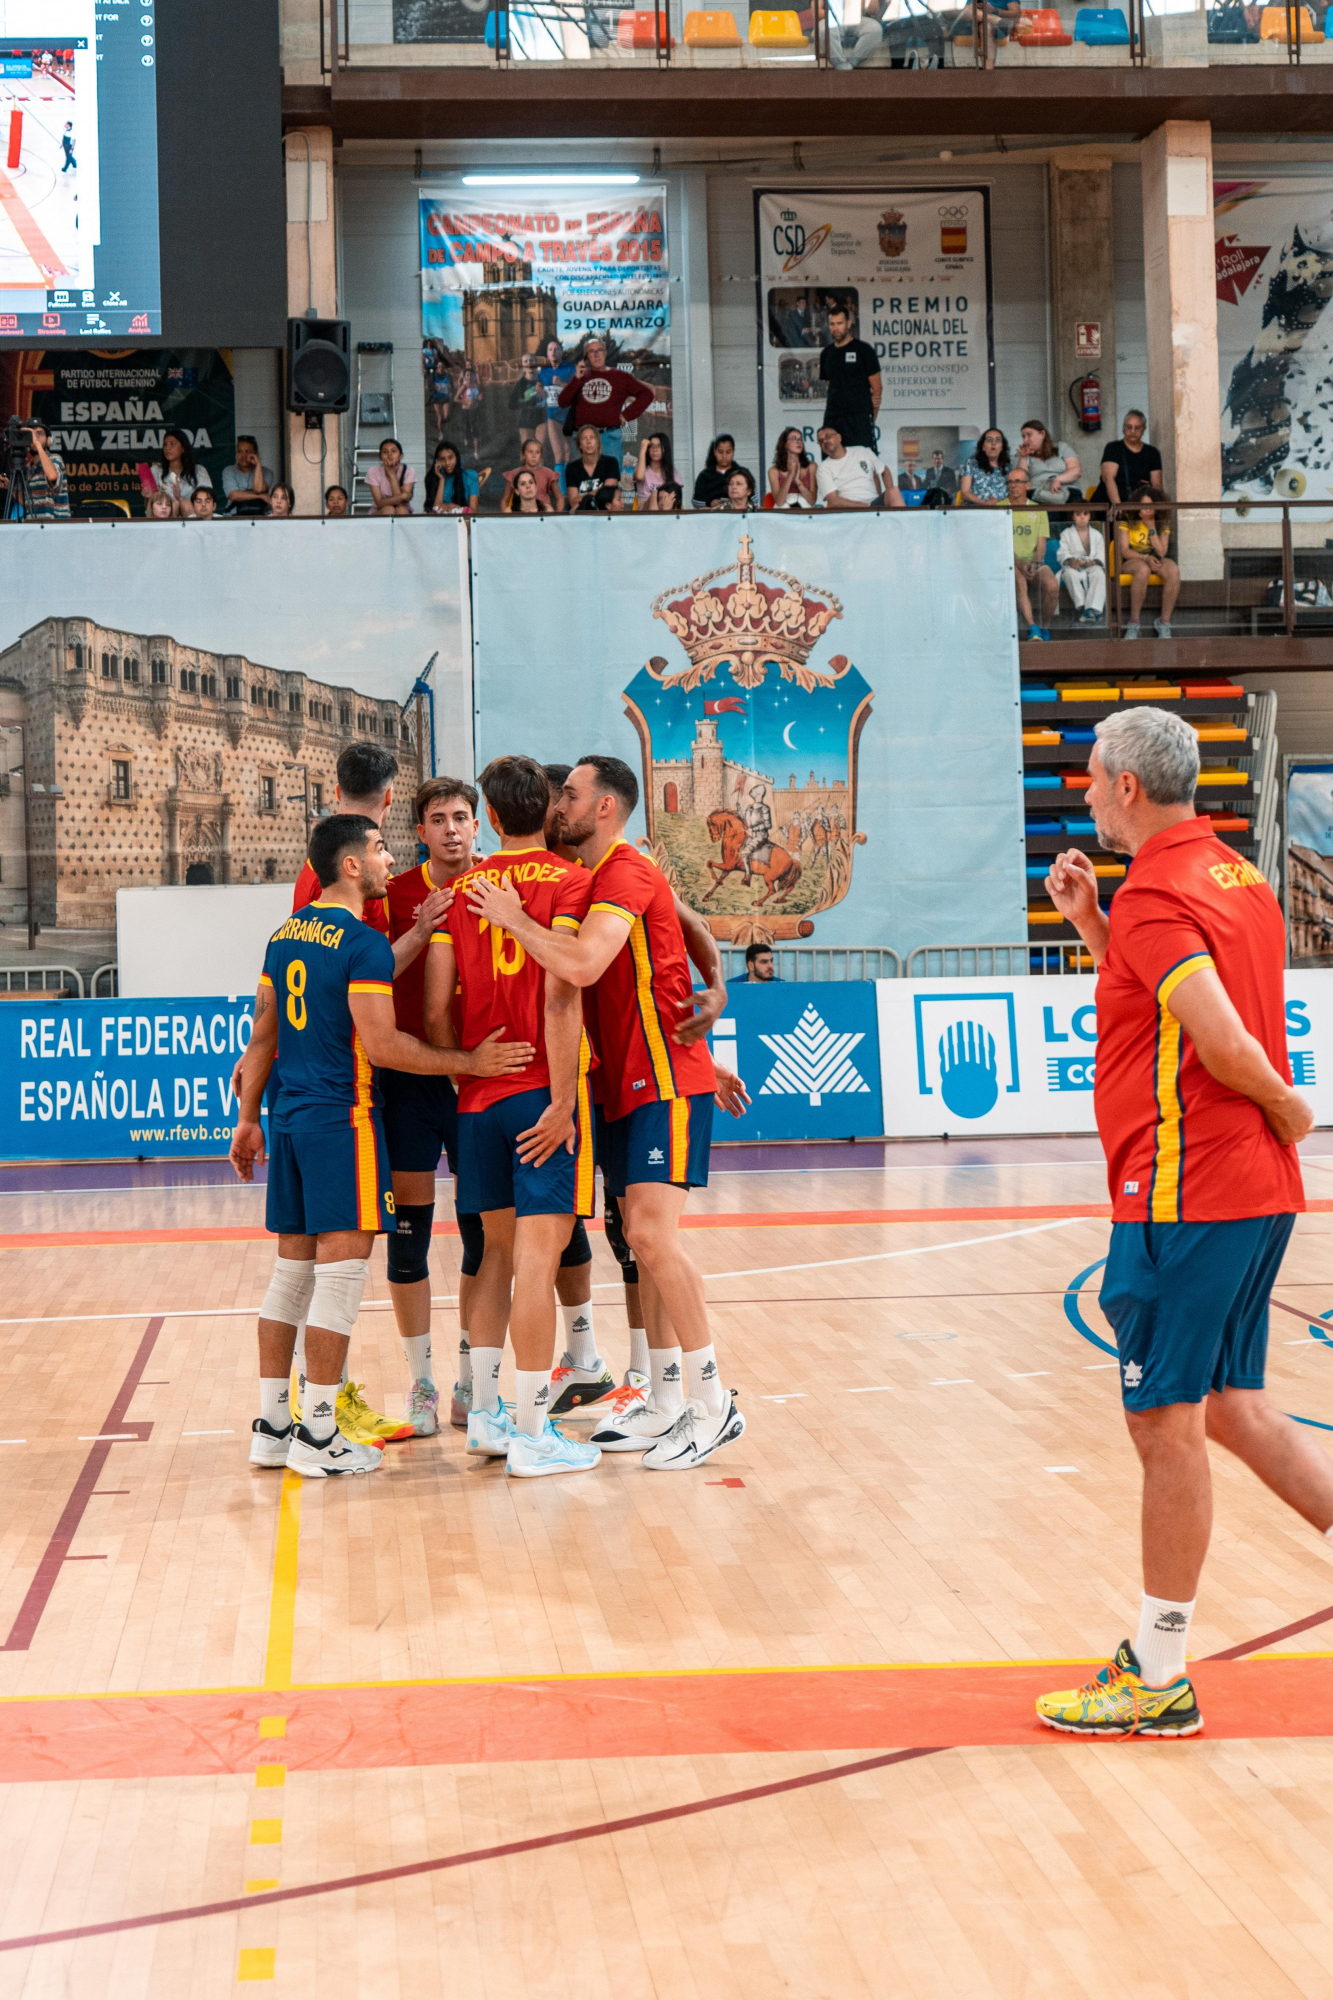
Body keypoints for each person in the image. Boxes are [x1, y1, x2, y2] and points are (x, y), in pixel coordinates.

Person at [1036, 706, 1326, 1739]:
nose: (1080, 788)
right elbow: (1169, 988)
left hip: (1182, 1186)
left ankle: (1157, 1668)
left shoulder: (1159, 889)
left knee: (1164, 1423)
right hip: (1246, 1188)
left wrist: (1290, 1105)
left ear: (1125, 786)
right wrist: (1092, 927)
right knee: (1234, 1408)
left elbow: (1215, 1034)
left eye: (1089, 774)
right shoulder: (1231, 873)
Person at [231, 813, 535, 1478]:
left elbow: (262, 1033)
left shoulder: (286, 936)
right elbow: (385, 1043)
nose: (387, 859)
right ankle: (318, 1436)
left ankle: (272, 1427)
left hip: (287, 1119)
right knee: (340, 1279)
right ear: (349, 866)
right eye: (377, 849)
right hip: (343, 1121)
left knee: (290, 1278)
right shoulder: (362, 939)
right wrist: (470, 1062)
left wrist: (247, 1117)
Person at [466, 756, 747, 1471]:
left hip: (659, 1082)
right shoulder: (586, 875)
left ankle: (712, 1405)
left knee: (652, 1240)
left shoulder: (625, 869)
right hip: (624, 1085)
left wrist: (508, 917)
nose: (558, 802)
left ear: (605, 809)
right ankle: (661, 1398)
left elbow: (584, 967)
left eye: (571, 793)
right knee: (640, 1248)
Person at [423, 756, 601, 1479]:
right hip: (540, 1095)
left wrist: (464, 1063)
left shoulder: (465, 888)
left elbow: (436, 1008)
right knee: (538, 1257)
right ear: (549, 814)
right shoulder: (569, 882)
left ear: (488, 819)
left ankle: (486, 1415)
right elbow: (563, 991)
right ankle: (533, 1433)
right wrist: (561, 1099)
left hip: (477, 1097)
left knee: (492, 1257)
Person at [382, 778, 486, 1435]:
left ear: (478, 826)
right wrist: (420, 932)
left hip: (481, 1081)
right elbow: (367, 981)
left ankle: (473, 1381)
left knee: (482, 1235)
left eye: (461, 817)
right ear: (419, 831)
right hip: (411, 1080)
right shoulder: (392, 896)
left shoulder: (504, 886)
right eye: (438, 819)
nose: (451, 829)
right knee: (408, 1241)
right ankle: (421, 1384)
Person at [555, 336, 653, 473]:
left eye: (600, 350)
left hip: (609, 437)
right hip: (584, 438)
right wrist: (577, 379)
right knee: (583, 483)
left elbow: (647, 394)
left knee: (611, 484)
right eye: (591, 351)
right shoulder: (580, 376)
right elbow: (562, 402)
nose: (596, 355)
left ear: (605, 353)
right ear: (585, 356)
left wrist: (626, 415)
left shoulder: (620, 376)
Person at [1117, 484, 1180, 640]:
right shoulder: (1127, 517)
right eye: (1143, 506)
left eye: (1150, 506)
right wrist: (1144, 558)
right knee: (1143, 569)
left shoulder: (1162, 521)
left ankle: (1164, 623)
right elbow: (1124, 550)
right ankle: (1134, 623)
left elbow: (1162, 551)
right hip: (1133, 559)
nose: (1147, 510)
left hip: (1156, 557)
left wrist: (1151, 528)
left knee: (1173, 570)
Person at [819, 305, 881, 452]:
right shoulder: (826, 353)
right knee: (833, 463)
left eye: (839, 323)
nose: (836, 328)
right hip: (833, 419)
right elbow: (830, 384)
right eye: (832, 324)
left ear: (848, 323)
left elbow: (877, 389)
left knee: (863, 464)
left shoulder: (864, 350)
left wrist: (869, 419)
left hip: (859, 419)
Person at [1008, 466, 1058, 641]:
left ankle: (1045, 626)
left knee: (1052, 585)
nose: (1013, 485)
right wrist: (1019, 564)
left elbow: (1041, 543)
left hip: (1033, 562)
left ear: (1027, 485)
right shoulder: (997, 508)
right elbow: (999, 545)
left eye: (1018, 481)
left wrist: (1035, 563)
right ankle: (1032, 627)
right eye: (1010, 481)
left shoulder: (1038, 509)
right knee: (1019, 581)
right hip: (1008, 562)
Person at [815, 423, 903, 510]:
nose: (825, 441)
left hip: (873, 503)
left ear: (839, 438)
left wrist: (886, 496)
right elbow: (834, 501)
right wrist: (866, 507)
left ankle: (903, 523)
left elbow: (884, 470)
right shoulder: (823, 468)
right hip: (849, 509)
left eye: (828, 436)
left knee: (893, 491)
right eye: (821, 441)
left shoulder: (862, 451)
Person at [1096, 408, 1165, 506]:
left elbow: (1157, 486)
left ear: (1144, 429)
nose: (1133, 431)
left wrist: (1154, 508)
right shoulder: (1113, 448)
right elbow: (1108, 478)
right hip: (1110, 504)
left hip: (1140, 505)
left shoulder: (1152, 453)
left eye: (1137, 428)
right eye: (1129, 427)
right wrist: (1118, 506)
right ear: (1123, 428)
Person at [9, 420, 68, 521]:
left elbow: (52, 476)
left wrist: (37, 444)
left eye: (39, 434)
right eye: (31, 434)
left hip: (55, 526)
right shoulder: (28, 467)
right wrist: (8, 486)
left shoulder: (55, 459)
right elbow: (27, 501)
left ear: (49, 440)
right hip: (34, 527)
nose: (35, 437)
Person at [1057, 504, 1107, 621]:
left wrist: (1095, 561)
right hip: (1074, 567)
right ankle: (1083, 606)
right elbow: (1062, 551)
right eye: (1078, 514)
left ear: (1090, 516)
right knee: (1069, 574)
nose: (1082, 517)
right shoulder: (1066, 533)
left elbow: (1101, 553)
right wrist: (1070, 560)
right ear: (1073, 516)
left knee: (1099, 574)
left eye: (1086, 514)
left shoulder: (1097, 534)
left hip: (1091, 566)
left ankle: (1092, 608)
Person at [146, 427, 210, 518]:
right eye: (165, 445)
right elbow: (148, 506)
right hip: (162, 522)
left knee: (184, 504)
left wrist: (180, 499)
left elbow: (208, 500)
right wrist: (147, 497)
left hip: (192, 516)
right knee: (173, 504)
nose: (167, 448)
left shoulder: (199, 470)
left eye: (172, 444)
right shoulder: (156, 470)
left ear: (183, 448)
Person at [1016, 420, 1081, 507]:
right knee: (1048, 515)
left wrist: (1058, 479)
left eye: (1029, 435)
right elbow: (1021, 480)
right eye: (1023, 436)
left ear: (1042, 434)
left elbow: (1076, 471)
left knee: (1077, 513)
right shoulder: (1023, 455)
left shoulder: (1062, 447)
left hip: (1067, 490)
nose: (1025, 440)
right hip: (1038, 494)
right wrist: (1023, 458)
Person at [563, 426, 623, 513]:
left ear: (598, 442)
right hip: (582, 514)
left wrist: (584, 499)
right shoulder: (572, 468)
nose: (588, 442)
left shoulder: (610, 462)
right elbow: (573, 502)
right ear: (579, 444)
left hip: (605, 514)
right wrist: (598, 493)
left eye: (592, 437)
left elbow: (608, 495)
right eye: (584, 438)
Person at [538, 339, 575, 467]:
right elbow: (539, 390)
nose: (553, 352)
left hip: (568, 415)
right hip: (552, 415)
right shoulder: (544, 371)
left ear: (561, 352)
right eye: (550, 349)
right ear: (547, 354)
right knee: (559, 455)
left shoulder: (570, 368)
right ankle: (561, 487)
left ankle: (567, 484)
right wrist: (539, 391)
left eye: (556, 349)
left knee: (568, 453)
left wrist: (561, 384)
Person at [502, 437, 563, 513]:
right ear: (523, 454)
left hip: (544, 514)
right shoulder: (514, 474)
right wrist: (506, 519)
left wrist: (557, 517)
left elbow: (560, 498)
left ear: (541, 456)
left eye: (537, 452)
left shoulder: (548, 473)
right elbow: (505, 500)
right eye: (530, 452)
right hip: (520, 513)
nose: (534, 456)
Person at [692, 435, 752, 510]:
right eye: (720, 452)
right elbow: (696, 501)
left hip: (738, 514)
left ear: (733, 451)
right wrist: (709, 502)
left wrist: (737, 502)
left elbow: (754, 498)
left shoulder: (743, 473)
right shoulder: (705, 475)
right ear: (715, 452)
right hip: (713, 515)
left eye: (728, 452)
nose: (724, 456)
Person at [222, 435, 274, 516]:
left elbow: (258, 489)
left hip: (260, 516)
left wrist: (258, 465)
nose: (243, 455)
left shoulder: (267, 472)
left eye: (247, 451)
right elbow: (233, 495)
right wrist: (261, 496)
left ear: (255, 453)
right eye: (240, 451)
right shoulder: (229, 470)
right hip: (233, 517)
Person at [425, 440, 479, 515]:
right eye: (443, 459)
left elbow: (473, 511)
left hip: (461, 520)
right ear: (437, 461)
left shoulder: (470, 475)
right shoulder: (433, 477)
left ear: (457, 458)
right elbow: (435, 510)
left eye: (450, 458)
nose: (447, 463)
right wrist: (442, 479)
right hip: (440, 521)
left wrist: (452, 506)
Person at [959, 428, 1011, 506]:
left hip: (1001, 511)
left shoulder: (1008, 466)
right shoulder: (972, 463)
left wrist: (1000, 502)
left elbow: (1016, 492)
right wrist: (985, 503)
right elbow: (965, 492)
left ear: (1002, 447)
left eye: (998, 440)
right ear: (983, 446)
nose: (993, 443)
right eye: (989, 440)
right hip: (976, 510)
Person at [769, 427, 818, 510]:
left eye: (800, 439)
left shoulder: (812, 466)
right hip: (782, 515)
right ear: (785, 444)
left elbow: (812, 501)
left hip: (806, 514)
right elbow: (779, 502)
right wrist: (790, 476)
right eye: (794, 439)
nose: (799, 442)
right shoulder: (773, 471)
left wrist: (798, 481)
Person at [367, 438, 416, 517]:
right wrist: (403, 496)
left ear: (401, 456)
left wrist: (392, 475)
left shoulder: (409, 471)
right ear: (380, 457)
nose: (389, 455)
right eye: (385, 452)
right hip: (379, 511)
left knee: (401, 510)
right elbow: (379, 503)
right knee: (388, 509)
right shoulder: (373, 471)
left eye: (393, 451)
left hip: (403, 509)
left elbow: (400, 504)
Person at [509, 350, 546, 453]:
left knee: (540, 450)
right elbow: (511, 404)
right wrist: (528, 402)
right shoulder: (521, 383)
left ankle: (539, 469)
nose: (529, 363)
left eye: (531, 361)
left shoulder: (543, 379)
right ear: (523, 366)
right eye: (525, 361)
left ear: (536, 363)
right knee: (527, 452)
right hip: (526, 419)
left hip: (541, 418)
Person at [634, 431, 676, 511]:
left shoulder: (671, 471)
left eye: (659, 446)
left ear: (665, 449)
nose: (655, 450)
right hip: (644, 512)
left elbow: (675, 495)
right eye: (651, 446)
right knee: (654, 495)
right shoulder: (642, 468)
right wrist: (643, 449)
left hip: (666, 509)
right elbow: (639, 476)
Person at [429, 356, 453, 441]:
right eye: (439, 367)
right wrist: (433, 387)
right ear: (437, 368)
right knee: (439, 417)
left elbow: (451, 386)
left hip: (445, 397)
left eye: (442, 367)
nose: (440, 368)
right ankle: (441, 433)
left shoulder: (448, 376)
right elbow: (430, 386)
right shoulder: (433, 376)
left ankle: (444, 430)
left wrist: (451, 391)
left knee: (445, 416)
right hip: (437, 398)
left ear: (444, 368)